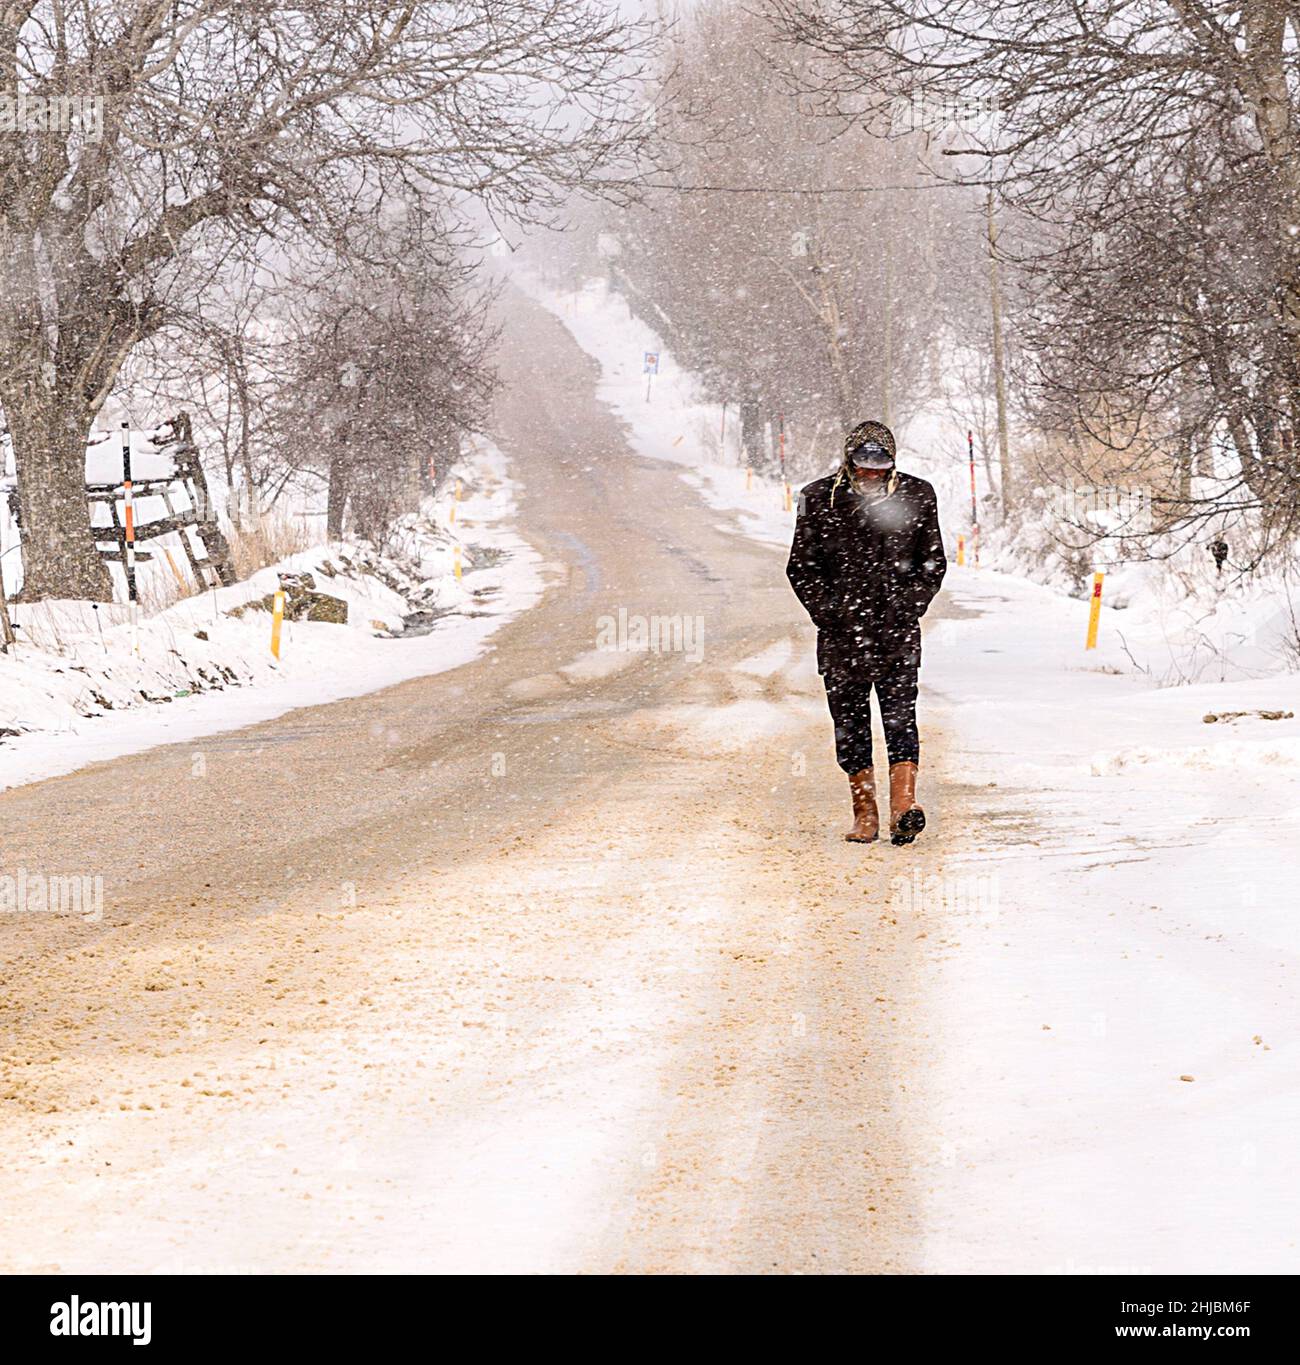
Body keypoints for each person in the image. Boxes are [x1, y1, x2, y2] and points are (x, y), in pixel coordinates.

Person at [786, 420, 947, 845]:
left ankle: (903, 807)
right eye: (863, 464)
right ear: (849, 460)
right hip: (842, 638)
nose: (871, 473)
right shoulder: (818, 499)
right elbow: (801, 568)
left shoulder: (917, 495)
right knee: (850, 725)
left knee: (900, 720)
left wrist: (906, 607)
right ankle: (865, 813)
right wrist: (832, 613)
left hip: (897, 634)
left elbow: (933, 564)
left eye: (881, 465)